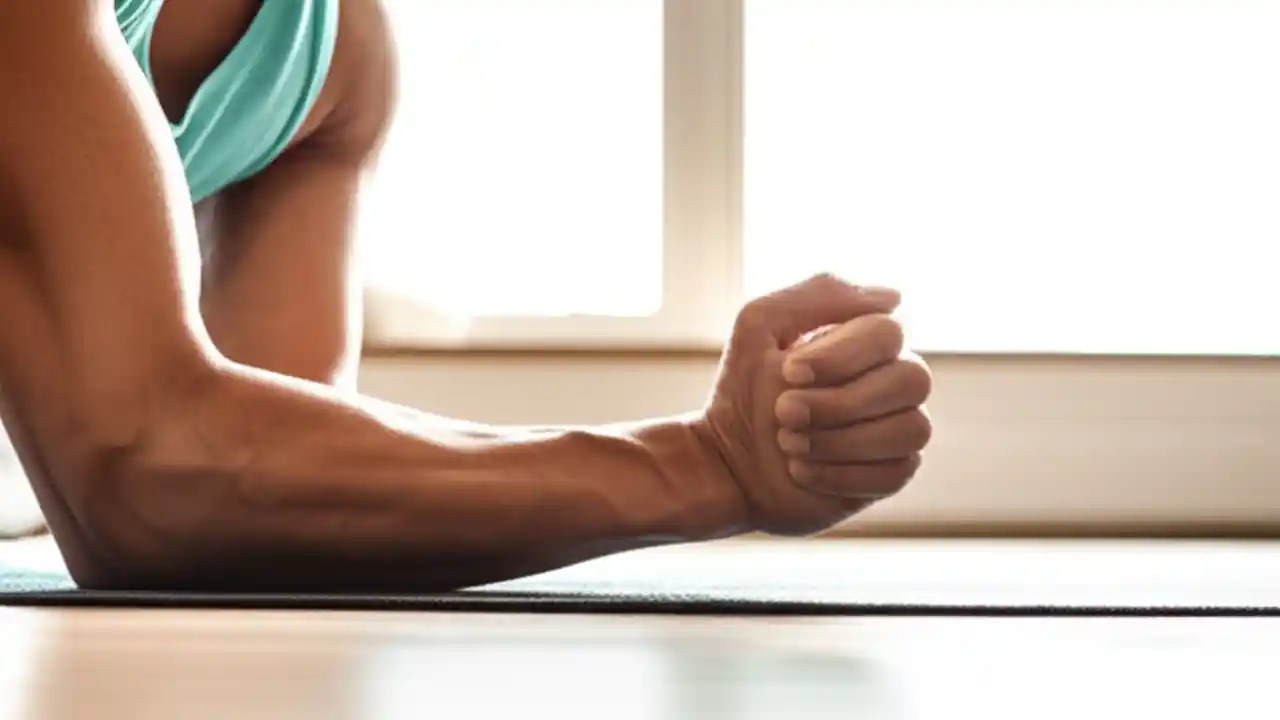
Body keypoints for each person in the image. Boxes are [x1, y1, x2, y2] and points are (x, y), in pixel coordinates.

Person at [0, 0, 933, 591]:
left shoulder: (324, 56)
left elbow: (259, 519)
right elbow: (146, 478)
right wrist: (707, 464)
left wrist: (727, 457)